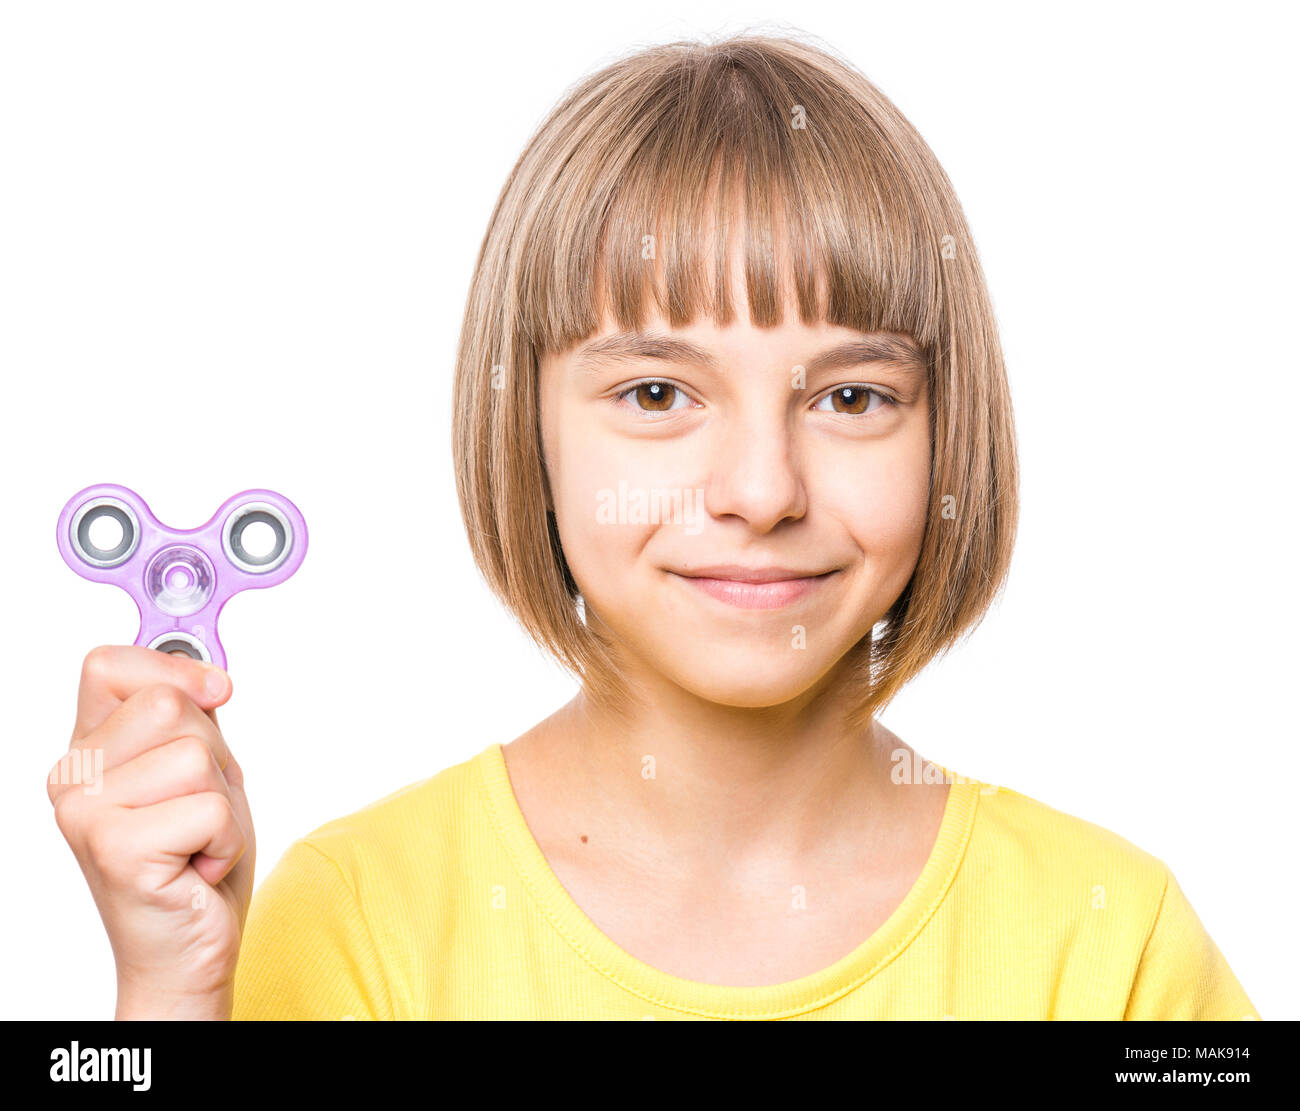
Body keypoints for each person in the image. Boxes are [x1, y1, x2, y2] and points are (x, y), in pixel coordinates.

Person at [51, 32, 1257, 1020]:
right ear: (526, 431)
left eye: (850, 396)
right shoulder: (363, 917)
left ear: (951, 437)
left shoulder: (1112, 945)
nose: (759, 489)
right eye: (657, 394)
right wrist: (167, 996)